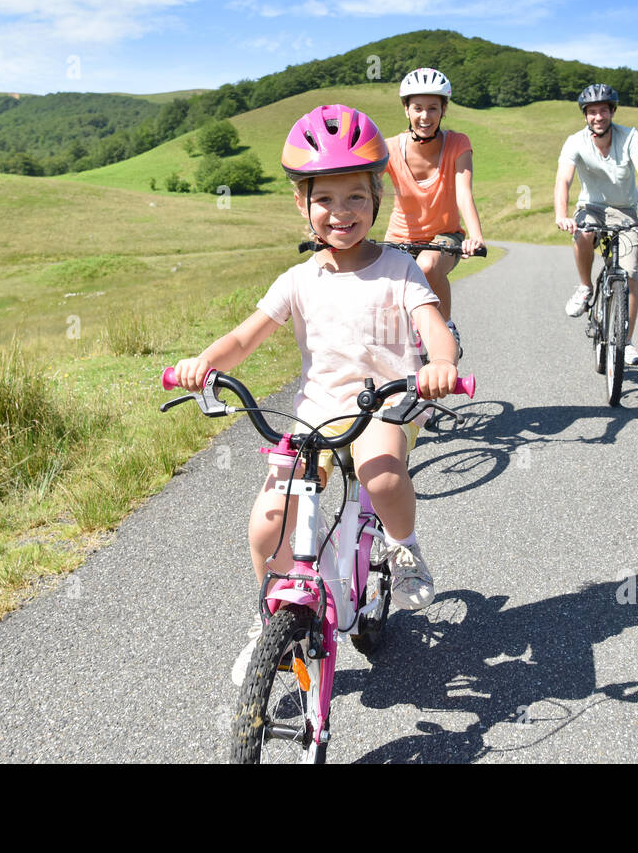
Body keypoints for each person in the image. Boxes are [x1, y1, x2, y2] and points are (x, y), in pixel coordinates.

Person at [168, 104, 459, 684]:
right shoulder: (298, 279)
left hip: (385, 401)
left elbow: (433, 329)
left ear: (377, 198)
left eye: (355, 196)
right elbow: (244, 337)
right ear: (302, 205)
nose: (341, 212)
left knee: (379, 474)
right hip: (316, 414)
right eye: (324, 198)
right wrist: (203, 364)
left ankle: (405, 548)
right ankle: (272, 617)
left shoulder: (400, 267)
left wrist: (442, 364)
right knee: (268, 519)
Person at [553, 83, 638, 365]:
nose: (598, 117)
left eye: (603, 111)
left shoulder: (630, 137)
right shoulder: (575, 141)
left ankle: (627, 341)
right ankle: (585, 287)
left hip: (625, 211)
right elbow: (564, 180)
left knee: (630, 274)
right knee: (583, 233)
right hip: (591, 207)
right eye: (592, 112)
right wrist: (562, 214)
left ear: (612, 112)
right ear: (585, 116)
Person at [384, 67, 486, 359]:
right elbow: (369, 191)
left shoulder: (458, 143)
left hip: (445, 237)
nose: (425, 117)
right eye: (417, 108)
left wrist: (475, 237)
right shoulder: (389, 148)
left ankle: (446, 327)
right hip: (399, 237)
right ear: (406, 109)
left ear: (443, 110)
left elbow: (464, 192)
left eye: (433, 108)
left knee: (428, 266)